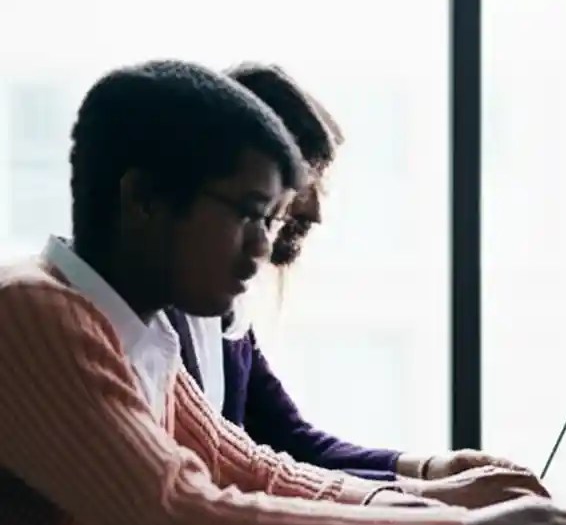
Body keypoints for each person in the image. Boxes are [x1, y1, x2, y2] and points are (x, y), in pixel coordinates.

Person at [0, 60, 566, 525]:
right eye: (250, 214)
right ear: (143, 198)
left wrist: (443, 506)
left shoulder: (135, 330)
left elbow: (249, 467)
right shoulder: (34, 313)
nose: (263, 248)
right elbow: (187, 521)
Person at [170, 62, 526, 494]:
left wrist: (435, 468)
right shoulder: (173, 310)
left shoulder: (225, 311)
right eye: (303, 183)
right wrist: (433, 498)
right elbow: (239, 475)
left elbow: (291, 445)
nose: (313, 211)